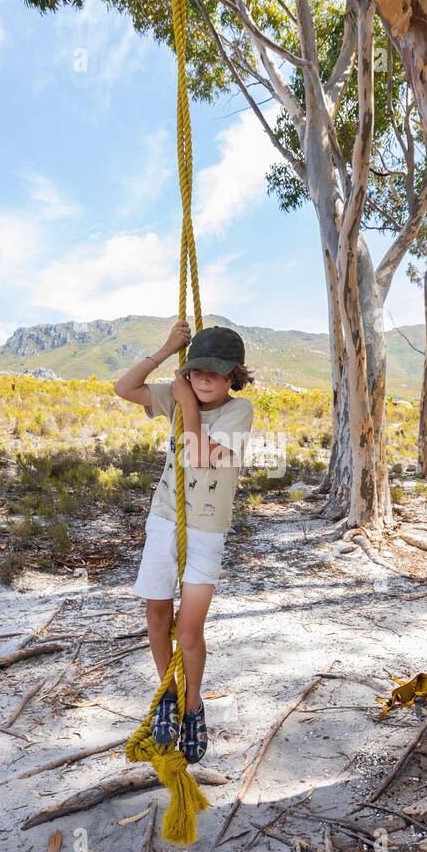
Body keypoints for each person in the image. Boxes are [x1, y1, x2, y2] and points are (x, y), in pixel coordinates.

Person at [113, 320, 255, 762]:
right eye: (196, 371)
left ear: (234, 373)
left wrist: (184, 401)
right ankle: (168, 694)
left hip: (206, 531)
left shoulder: (239, 412)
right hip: (164, 519)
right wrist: (167, 348)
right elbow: (124, 387)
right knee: (157, 612)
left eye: (215, 372)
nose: (204, 380)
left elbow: (197, 454)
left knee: (189, 629)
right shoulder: (180, 395)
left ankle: (194, 705)